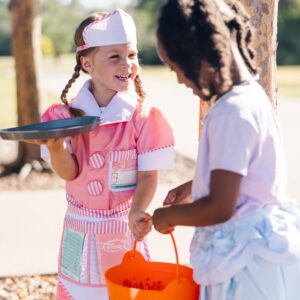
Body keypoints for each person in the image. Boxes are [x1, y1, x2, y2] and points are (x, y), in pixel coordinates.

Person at [152, 0, 300, 299]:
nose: (179, 79)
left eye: (176, 67)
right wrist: (197, 185)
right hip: (257, 254)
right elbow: (246, 175)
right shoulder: (251, 97)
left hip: (243, 266)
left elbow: (221, 207)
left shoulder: (231, 113)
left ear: (200, 54)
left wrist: (167, 217)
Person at [37, 9, 174, 300]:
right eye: (115, 56)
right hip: (79, 228)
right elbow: (69, 172)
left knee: (123, 292)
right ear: (87, 63)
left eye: (132, 55)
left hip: (121, 228)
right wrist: (55, 146)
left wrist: (138, 210)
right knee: (78, 289)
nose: (127, 64)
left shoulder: (142, 116)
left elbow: (148, 175)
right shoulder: (65, 115)